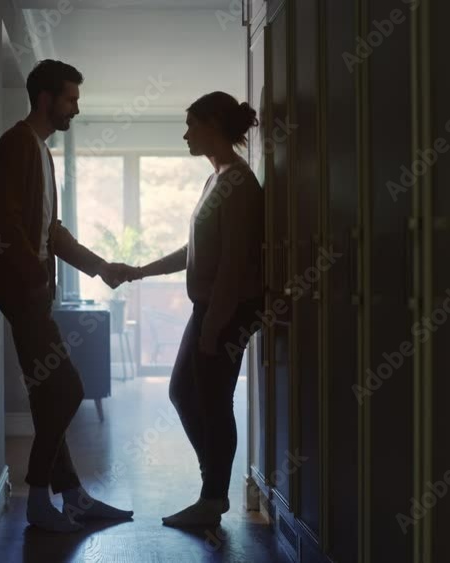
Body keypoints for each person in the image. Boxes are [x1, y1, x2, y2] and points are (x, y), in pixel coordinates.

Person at [0, 59, 136, 532]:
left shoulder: (41, 151)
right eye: (71, 98)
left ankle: (72, 496)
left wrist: (101, 267)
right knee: (68, 389)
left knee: (47, 396)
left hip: (33, 293)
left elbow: (52, 231)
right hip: (24, 294)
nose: (76, 108)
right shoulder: (17, 144)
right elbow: (5, 224)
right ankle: (37, 497)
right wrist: (34, 278)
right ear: (46, 99)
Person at [125, 91, 265, 527]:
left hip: (227, 309)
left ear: (213, 125)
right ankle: (212, 492)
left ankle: (213, 498)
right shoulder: (216, 179)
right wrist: (140, 271)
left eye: (192, 125)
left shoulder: (240, 184)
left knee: (213, 401)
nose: (186, 134)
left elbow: (233, 263)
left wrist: (213, 327)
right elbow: (196, 250)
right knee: (186, 393)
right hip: (208, 308)